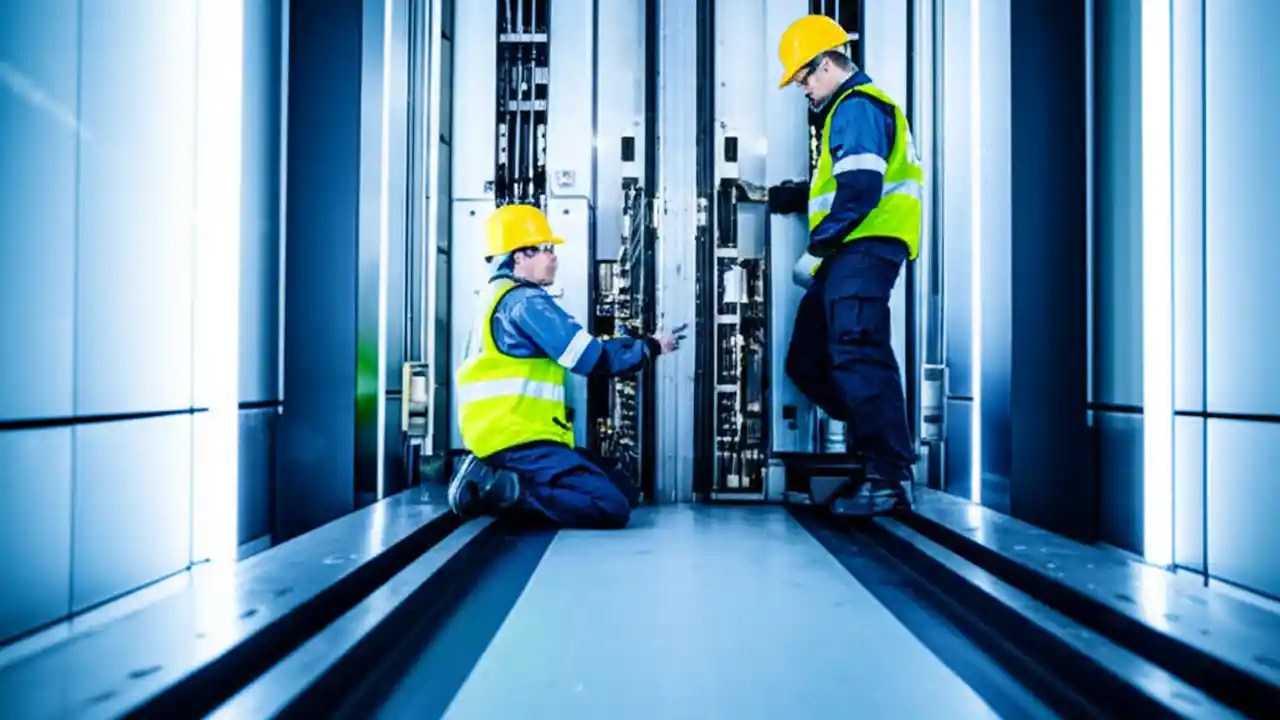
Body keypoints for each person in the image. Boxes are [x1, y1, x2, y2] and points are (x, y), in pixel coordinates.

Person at [448, 203, 685, 529]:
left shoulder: (495, 297)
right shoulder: (526, 302)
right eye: (546, 249)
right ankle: (503, 491)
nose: (553, 257)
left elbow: (589, 348)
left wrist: (640, 343)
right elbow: (591, 358)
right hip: (519, 441)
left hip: (510, 436)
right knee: (610, 505)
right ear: (519, 256)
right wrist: (651, 347)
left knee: (625, 489)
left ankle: (498, 476)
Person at [771, 15, 924, 513]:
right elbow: (843, 185)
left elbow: (860, 190)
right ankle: (879, 444)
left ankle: (886, 474)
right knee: (808, 360)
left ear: (829, 63)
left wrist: (816, 248)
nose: (803, 89)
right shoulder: (846, 111)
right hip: (847, 252)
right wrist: (794, 195)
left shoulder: (857, 106)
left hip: (864, 248)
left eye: (803, 77)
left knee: (858, 350)